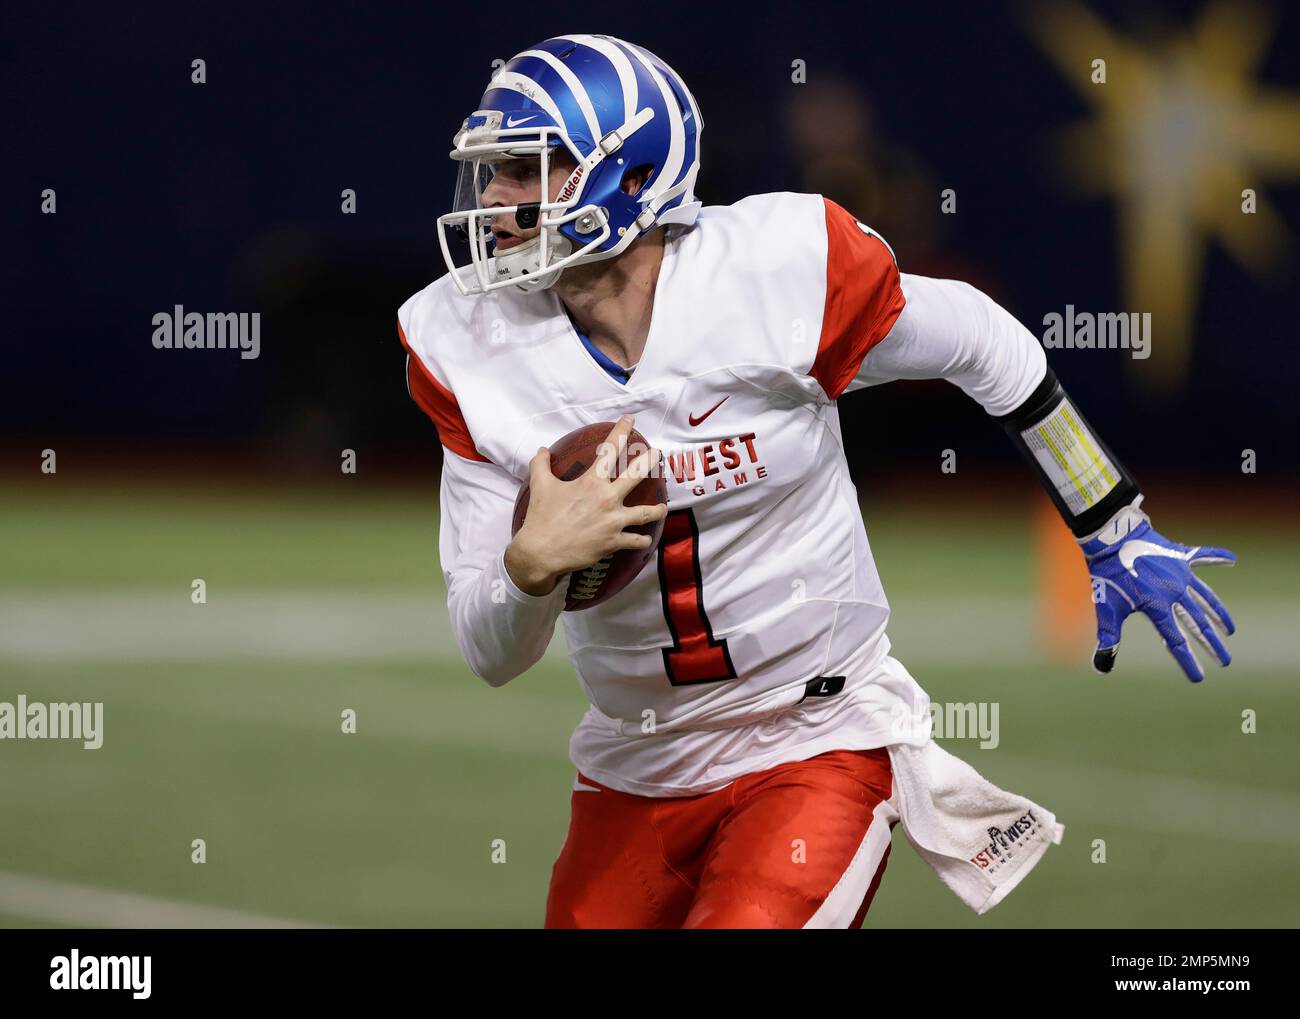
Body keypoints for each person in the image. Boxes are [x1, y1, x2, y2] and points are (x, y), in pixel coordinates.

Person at [398, 34, 1237, 928]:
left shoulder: (774, 271)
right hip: (634, 766)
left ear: (631, 178)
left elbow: (985, 341)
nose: (496, 201)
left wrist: (1111, 526)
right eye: (490, 174)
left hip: (815, 737)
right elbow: (493, 653)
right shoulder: (465, 343)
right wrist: (530, 570)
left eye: (531, 170)